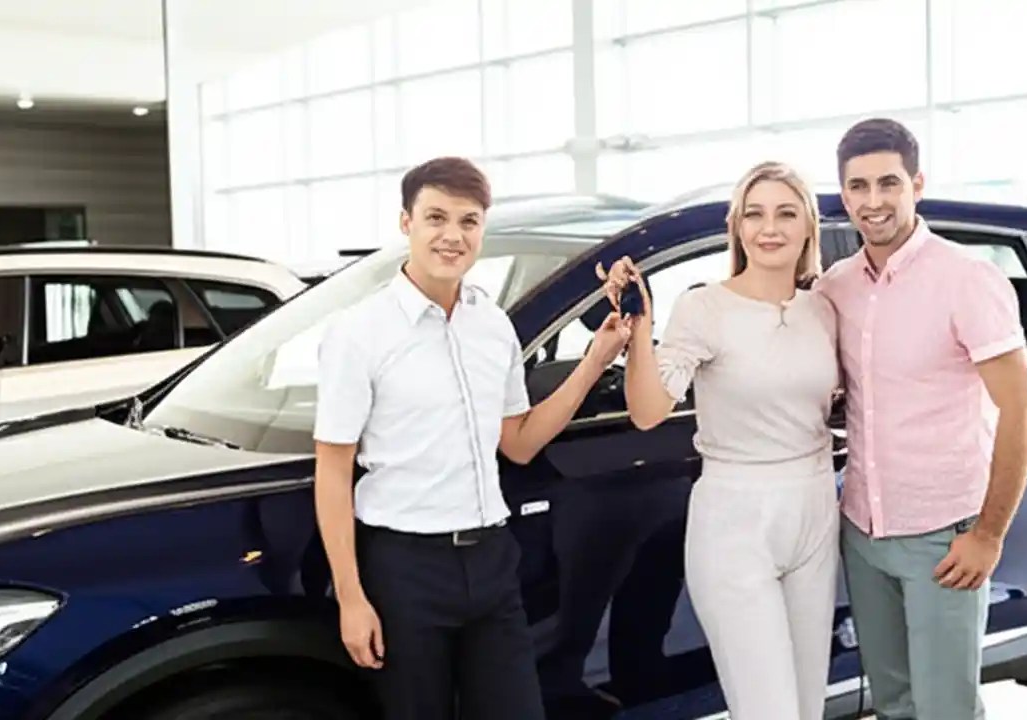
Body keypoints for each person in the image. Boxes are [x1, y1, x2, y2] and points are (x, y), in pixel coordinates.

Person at [312, 156, 631, 720]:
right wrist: (352, 598)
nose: (452, 235)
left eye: (469, 220)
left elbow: (520, 443)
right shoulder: (358, 333)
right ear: (406, 223)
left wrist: (594, 361)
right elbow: (333, 473)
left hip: (491, 560)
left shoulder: (493, 325)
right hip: (405, 568)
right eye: (436, 217)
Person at [816, 118, 1027, 720]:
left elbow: (1022, 409)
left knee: (946, 710)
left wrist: (988, 536)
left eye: (888, 183)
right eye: (858, 187)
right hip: (864, 533)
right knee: (892, 706)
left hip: (944, 534)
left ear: (917, 184)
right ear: (844, 196)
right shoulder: (837, 287)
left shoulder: (967, 278)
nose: (873, 201)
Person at [598, 161, 841, 719]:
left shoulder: (822, 309)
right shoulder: (704, 306)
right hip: (735, 520)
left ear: (808, 227)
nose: (769, 227)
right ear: (738, 227)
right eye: (754, 214)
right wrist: (640, 328)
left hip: (814, 508)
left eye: (786, 213)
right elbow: (648, 411)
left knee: (807, 709)